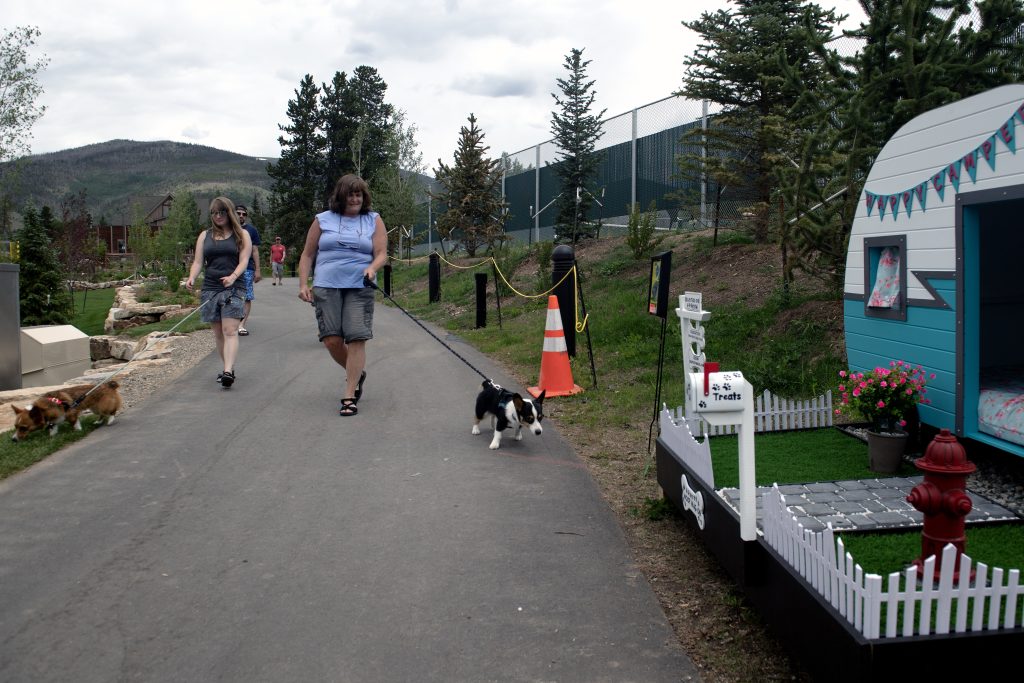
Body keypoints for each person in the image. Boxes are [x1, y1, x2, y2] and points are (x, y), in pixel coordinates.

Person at [298, 175, 387, 416]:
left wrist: (372, 267)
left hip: (360, 285)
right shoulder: (322, 220)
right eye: (350, 195)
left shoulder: (373, 220)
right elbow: (307, 255)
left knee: (356, 337)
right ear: (340, 196)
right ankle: (356, 371)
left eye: (359, 195)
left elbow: (381, 253)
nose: (355, 199)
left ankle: (349, 393)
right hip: (326, 284)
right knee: (331, 340)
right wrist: (303, 284)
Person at [186, 197, 253, 388]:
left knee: (230, 330)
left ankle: (227, 371)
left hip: (233, 287)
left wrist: (233, 276)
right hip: (210, 288)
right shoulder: (204, 236)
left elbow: (244, 261)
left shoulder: (241, 235)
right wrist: (192, 277)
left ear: (229, 212)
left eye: (221, 212)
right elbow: (198, 262)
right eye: (214, 213)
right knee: (218, 333)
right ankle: (227, 368)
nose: (218, 216)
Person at [234, 204, 261, 336]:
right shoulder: (227, 229)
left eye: (244, 214)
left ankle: (241, 325)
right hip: (229, 267)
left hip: (247, 268)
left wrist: (258, 270)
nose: (241, 216)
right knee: (229, 295)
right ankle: (230, 322)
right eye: (238, 213)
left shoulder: (252, 230)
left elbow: (255, 250)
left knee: (246, 296)